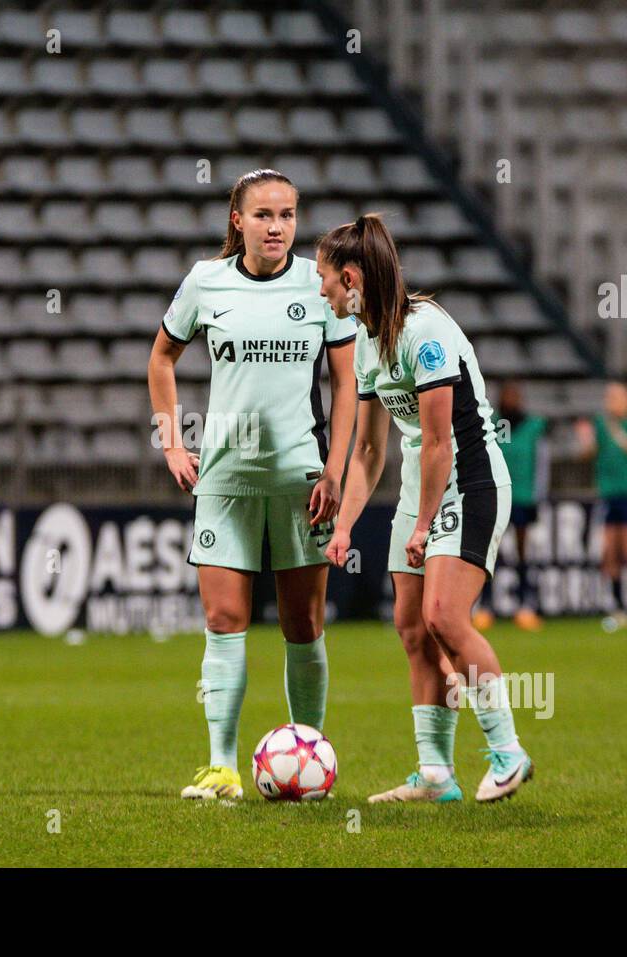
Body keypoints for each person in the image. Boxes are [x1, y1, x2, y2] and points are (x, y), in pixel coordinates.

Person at [148, 169, 358, 800]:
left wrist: (336, 468)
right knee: (223, 618)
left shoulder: (317, 286)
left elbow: (347, 383)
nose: (278, 227)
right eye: (264, 215)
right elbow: (160, 358)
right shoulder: (204, 281)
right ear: (237, 220)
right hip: (226, 479)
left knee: (304, 623)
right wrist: (171, 441)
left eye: (288, 215)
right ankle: (221, 767)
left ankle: (309, 754)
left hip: (302, 480)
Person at [321, 213, 533, 804]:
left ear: (351, 276)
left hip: (470, 480)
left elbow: (441, 442)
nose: (321, 291)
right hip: (423, 485)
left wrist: (420, 527)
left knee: (443, 616)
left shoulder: (425, 330)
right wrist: (345, 525)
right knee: (412, 628)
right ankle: (436, 774)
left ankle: (508, 753)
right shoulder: (366, 339)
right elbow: (367, 449)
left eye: (324, 279)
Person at [575, 381, 627, 630]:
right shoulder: (600, 425)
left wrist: (618, 434)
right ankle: (618, 606)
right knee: (609, 554)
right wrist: (585, 440)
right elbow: (588, 454)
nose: (611, 401)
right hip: (609, 494)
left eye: (616, 397)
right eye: (609, 396)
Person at [474, 380, 548, 632]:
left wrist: (539, 496)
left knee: (524, 555)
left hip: (525, 498)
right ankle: (486, 606)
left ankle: (526, 605)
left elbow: (542, 464)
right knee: (489, 554)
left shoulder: (534, 427)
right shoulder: (494, 426)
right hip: (497, 498)